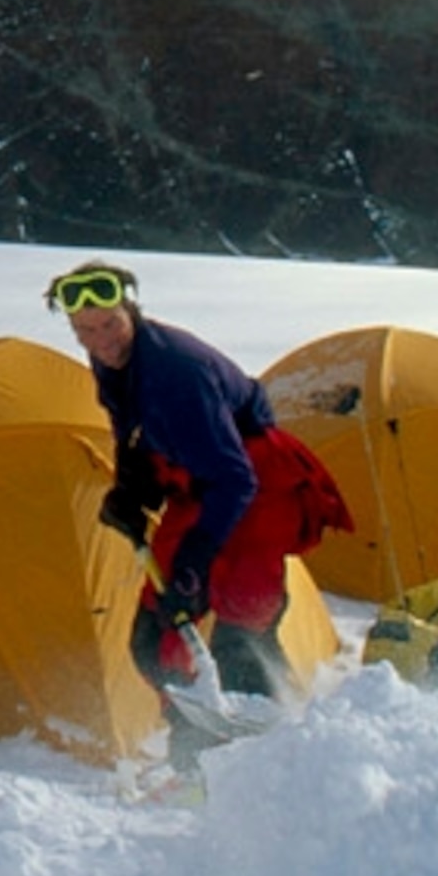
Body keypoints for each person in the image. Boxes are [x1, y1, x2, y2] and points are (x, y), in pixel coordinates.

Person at [50, 259, 351, 709]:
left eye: (109, 324)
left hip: (256, 488)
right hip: (200, 484)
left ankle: (277, 732)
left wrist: (195, 560)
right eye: (85, 331)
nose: (100, 340)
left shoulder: (177, 373)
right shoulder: (112, 359)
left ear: (131, 311)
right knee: (154, 640)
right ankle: (193, 739)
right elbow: (130, 426)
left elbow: (236, 479)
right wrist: (134, 487)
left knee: (242, 634)